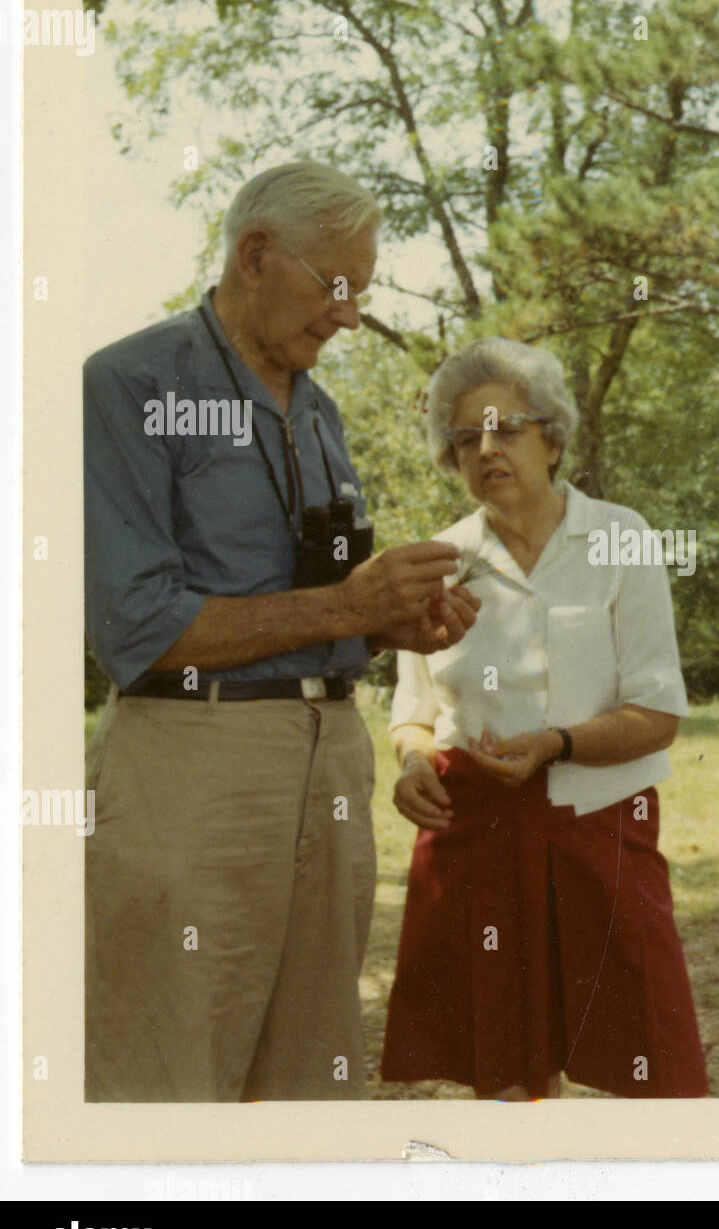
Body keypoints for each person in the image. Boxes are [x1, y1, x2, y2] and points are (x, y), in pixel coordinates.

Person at [83, 162, 479, 1102]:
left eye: (362, 292)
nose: (350, 317)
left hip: (330, 763)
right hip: (195, 764)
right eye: (336, 286)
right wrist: (347, 609)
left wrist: (391, 625)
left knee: (313, 1078)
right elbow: (138, 625)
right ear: (254, 256)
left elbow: (310, 603)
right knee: (170, 1072)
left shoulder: (321, 409)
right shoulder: (129, 382)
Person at [381, 336, 708, 1100]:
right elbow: (413, 714)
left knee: (649, 1062)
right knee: (507, 1078)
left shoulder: (622, 537)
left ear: (554, 441)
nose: (485, 449)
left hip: (602, 824)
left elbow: (658, 711)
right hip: (475, 830)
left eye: (506, 429)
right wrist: (412, 762)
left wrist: (557, 744)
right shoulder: (437, 562)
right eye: (466, 437)